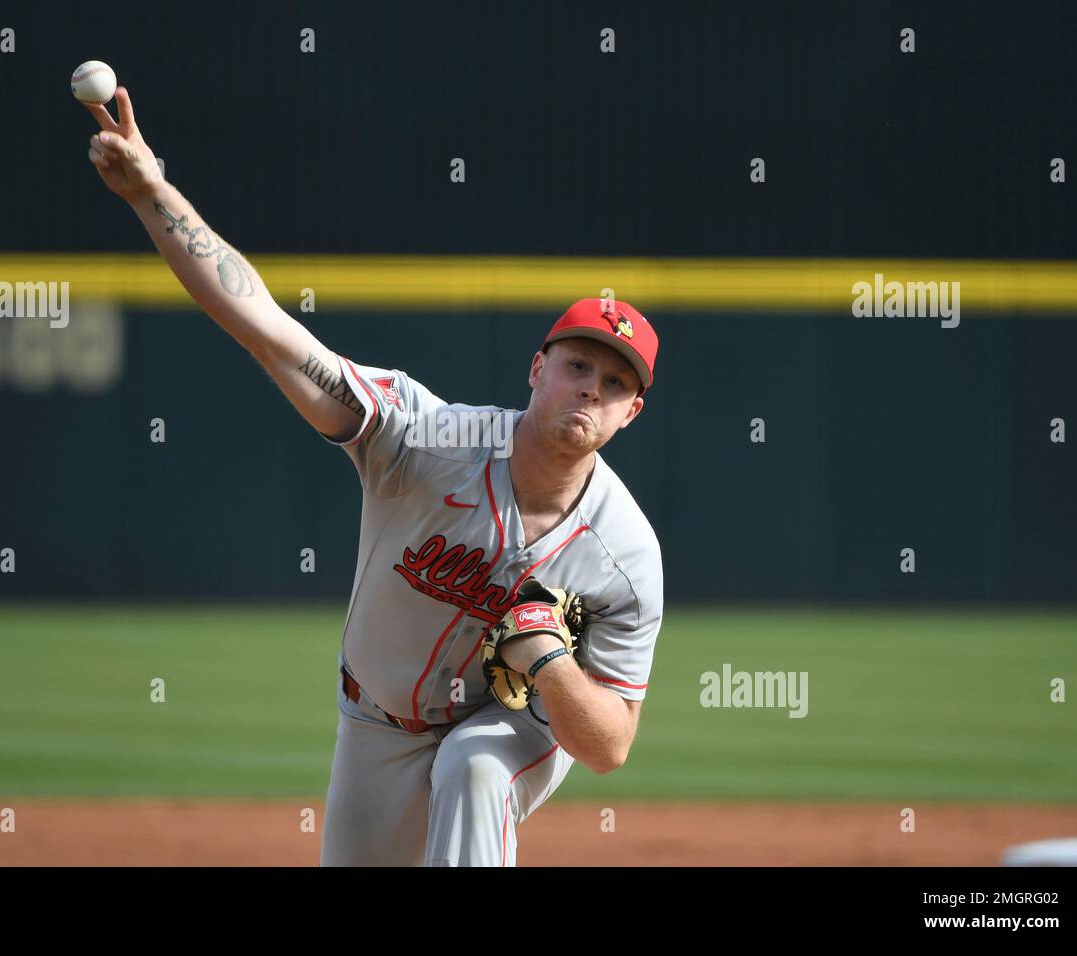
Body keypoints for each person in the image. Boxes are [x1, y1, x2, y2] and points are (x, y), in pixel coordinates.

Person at [82, 88, 664, 866]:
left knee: (474, 765)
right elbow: (269, 331)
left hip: (513, 722)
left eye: (616, 383)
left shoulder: (625, 556)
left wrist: (551, 664)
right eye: (578, 364)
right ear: (536, 369)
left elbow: (609, 746)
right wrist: (155, 194)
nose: (592, 387)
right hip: (374, 720)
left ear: (631, 414)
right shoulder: (423, 438)